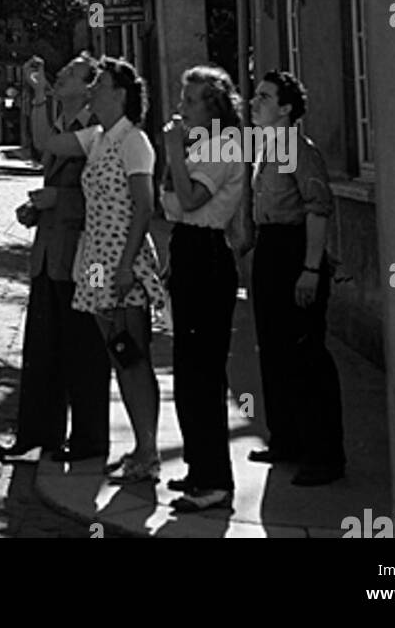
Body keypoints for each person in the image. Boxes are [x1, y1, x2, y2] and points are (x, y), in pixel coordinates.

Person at [31, 57, 165, 485]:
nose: (93, 89)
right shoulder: (98, 137)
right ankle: (140, 450)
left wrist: (126, 266)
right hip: (95, 262)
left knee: (133, 354)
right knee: (116, 353)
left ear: (121, 94)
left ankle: (148, 450)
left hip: (122, 262)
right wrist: (38, 95)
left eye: (101, 84)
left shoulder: (134, 140)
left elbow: (144, 206)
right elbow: (49, 144)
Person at [0, 55, 111, 466]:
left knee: (83, 350)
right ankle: (37, 434)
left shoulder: (100, 132)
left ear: (89, 87)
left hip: (82, 257)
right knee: (42, 349)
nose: (60, 75)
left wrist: (59, 200)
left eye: (68, 74)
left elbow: (115, 197)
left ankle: (88, 439)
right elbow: (46, 148)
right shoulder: (65, 127)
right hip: (50, 253)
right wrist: (40, 209)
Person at [244, 71, 346, 486]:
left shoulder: (297, 150)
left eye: (265, 97)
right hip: (270, 249)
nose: (255, 102)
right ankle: (286, 438)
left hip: (295, 251)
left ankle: (324, 456)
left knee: (306, 356)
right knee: (273, 349)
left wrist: (310, 268)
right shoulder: (268, 149)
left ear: (286, 108)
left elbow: (317, 209)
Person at [160, 64, 246, 513]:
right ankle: (199, 467)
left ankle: (215, 480)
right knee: (188, 371)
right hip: (189, 247)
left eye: (191, 100)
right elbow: (171, 200)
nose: (181, 106)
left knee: (204, 372)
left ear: (213, 106)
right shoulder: (202, 144)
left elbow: (190, 199)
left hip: (208, 253)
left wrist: (173, 149)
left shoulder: (226, 144)